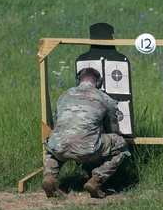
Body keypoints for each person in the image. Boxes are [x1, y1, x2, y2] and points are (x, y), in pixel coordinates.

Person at [41, 67, 131, 199]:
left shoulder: (64, 95)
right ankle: (96, 180)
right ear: (99, 82)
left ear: (78, 80)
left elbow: (60, 121)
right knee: (120, 144)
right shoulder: (104, 98)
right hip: (87, 150)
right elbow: (113, 128)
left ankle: (49, 176)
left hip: (59, 146)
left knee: (52, 145)